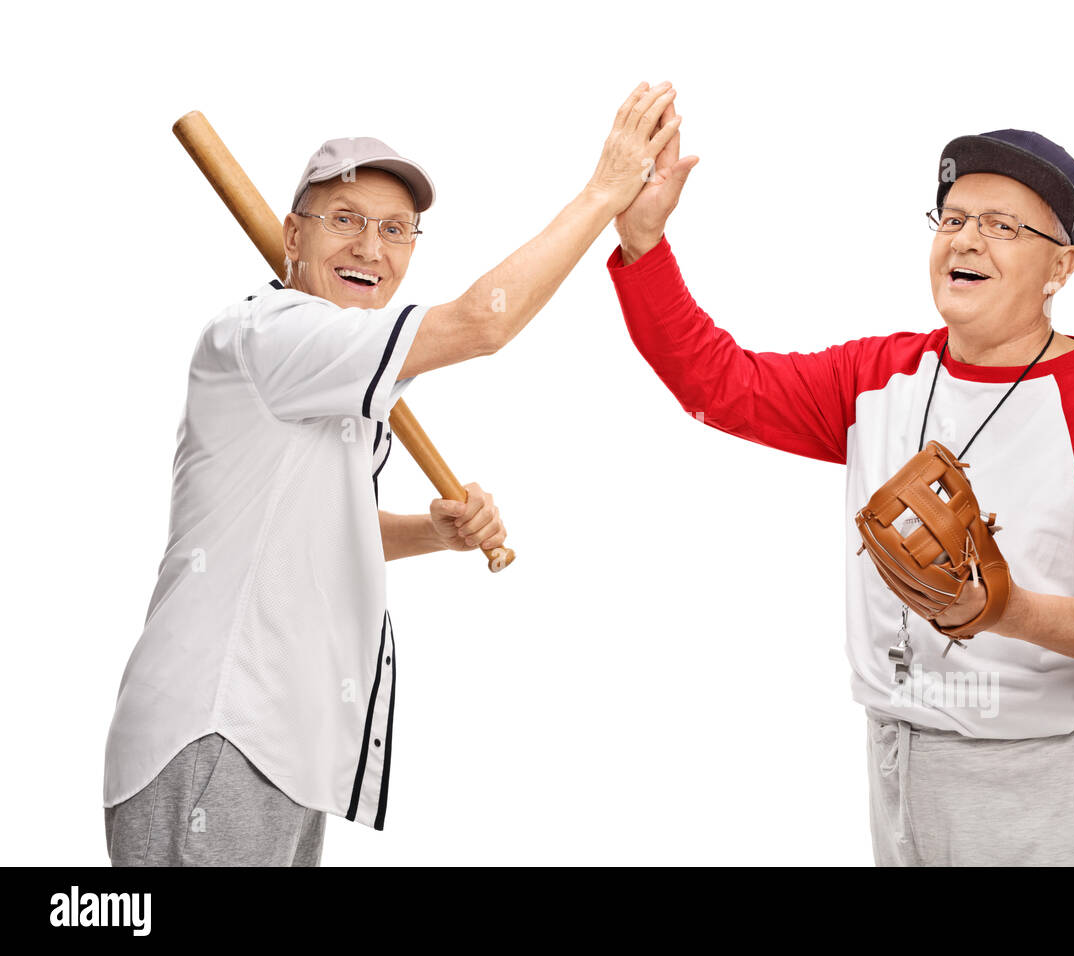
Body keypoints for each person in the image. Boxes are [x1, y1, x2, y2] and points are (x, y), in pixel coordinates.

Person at [102, 80, 683, 866]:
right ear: (291, 239)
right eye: (344, 220)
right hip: (220, 733)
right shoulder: (271, 334)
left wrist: (431, 534)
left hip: (280, 749)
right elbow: (485, 320)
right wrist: (604, 191)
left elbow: (319, 532)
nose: (371, 249)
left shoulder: (333, 369)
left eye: (396, 230)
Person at [606, 113, 1074, 866]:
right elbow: (716, 384)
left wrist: (1012, 611)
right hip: (895, 758)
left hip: (1043, 775)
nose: (965, 239)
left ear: (1062, 268)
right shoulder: (877, 378)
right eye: (952, 218)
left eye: (1003, 226)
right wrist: (644, 242)